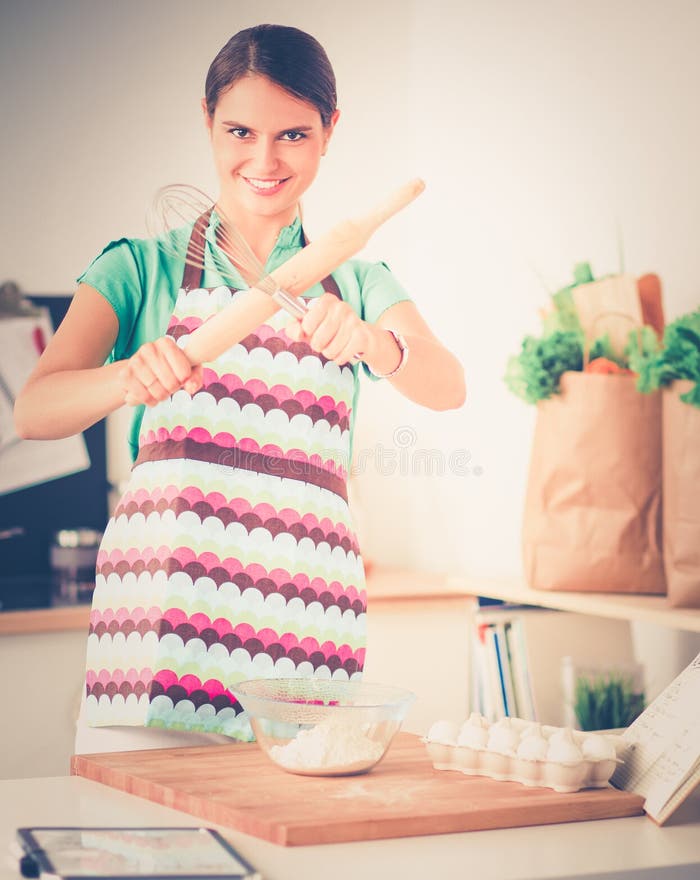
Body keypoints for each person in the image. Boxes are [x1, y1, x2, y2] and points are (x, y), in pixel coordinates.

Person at [14, 24, 465, 753]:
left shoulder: (353, 278)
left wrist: (374, 342)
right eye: (239, 131)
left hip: (304, 637)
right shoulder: (140, 268)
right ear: (207, 122)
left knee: (288, 860)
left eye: (292, 134)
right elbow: (33, 411)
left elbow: (447, 387)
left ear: (329, 132)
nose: (263, 159)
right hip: (160, 643)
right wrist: (130, 375)